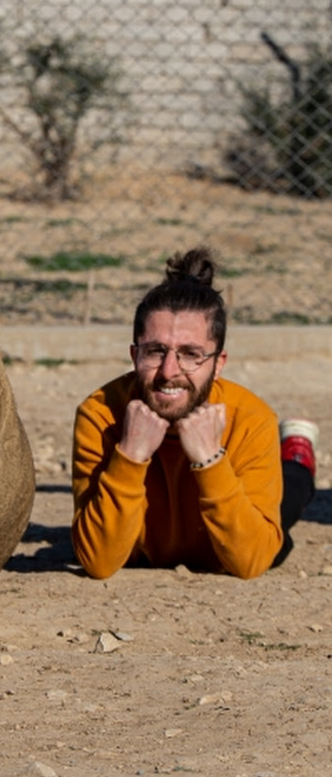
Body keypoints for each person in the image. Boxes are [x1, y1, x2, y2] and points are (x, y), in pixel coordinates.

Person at [71, 247, 317, 579]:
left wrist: (211, 460)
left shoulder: (251, 419)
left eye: (191, 354)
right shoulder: (100, 414)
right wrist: (130, 454)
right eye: (155, 351)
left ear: (219, 364)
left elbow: (250, 562)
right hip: (165, 535)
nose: (169, 371)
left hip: (228, 533)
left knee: (291, 496)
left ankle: (299, 452)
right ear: (134, 355)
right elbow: (98, 562)